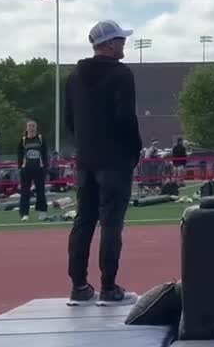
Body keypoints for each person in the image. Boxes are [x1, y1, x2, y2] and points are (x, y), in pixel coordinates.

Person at [66, 20, 141, 306]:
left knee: (84, 220)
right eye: (120, 40)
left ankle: (79, 286)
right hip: (115, 160)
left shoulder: (74, 77)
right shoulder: (122, 74)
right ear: (108, 44)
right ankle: (109, 287)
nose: (124, 44)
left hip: (86, 159)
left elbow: (70, 121)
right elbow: (126, 118)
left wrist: (85, 147)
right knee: (111, 222)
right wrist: (134, 150)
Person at [18, 120, 49, 222]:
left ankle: (42, 212)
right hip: (26, 170)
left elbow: (45, 154)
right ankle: (24, 214)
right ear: (26, 128)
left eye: (33, 126)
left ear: (36, 127)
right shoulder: (23, 140)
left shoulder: (40, 139)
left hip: (39, 170)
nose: (31, 128)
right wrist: (20, 167)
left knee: (40, 191)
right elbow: (19, 155)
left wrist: (45, 167)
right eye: (29, 126)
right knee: (25, 192)